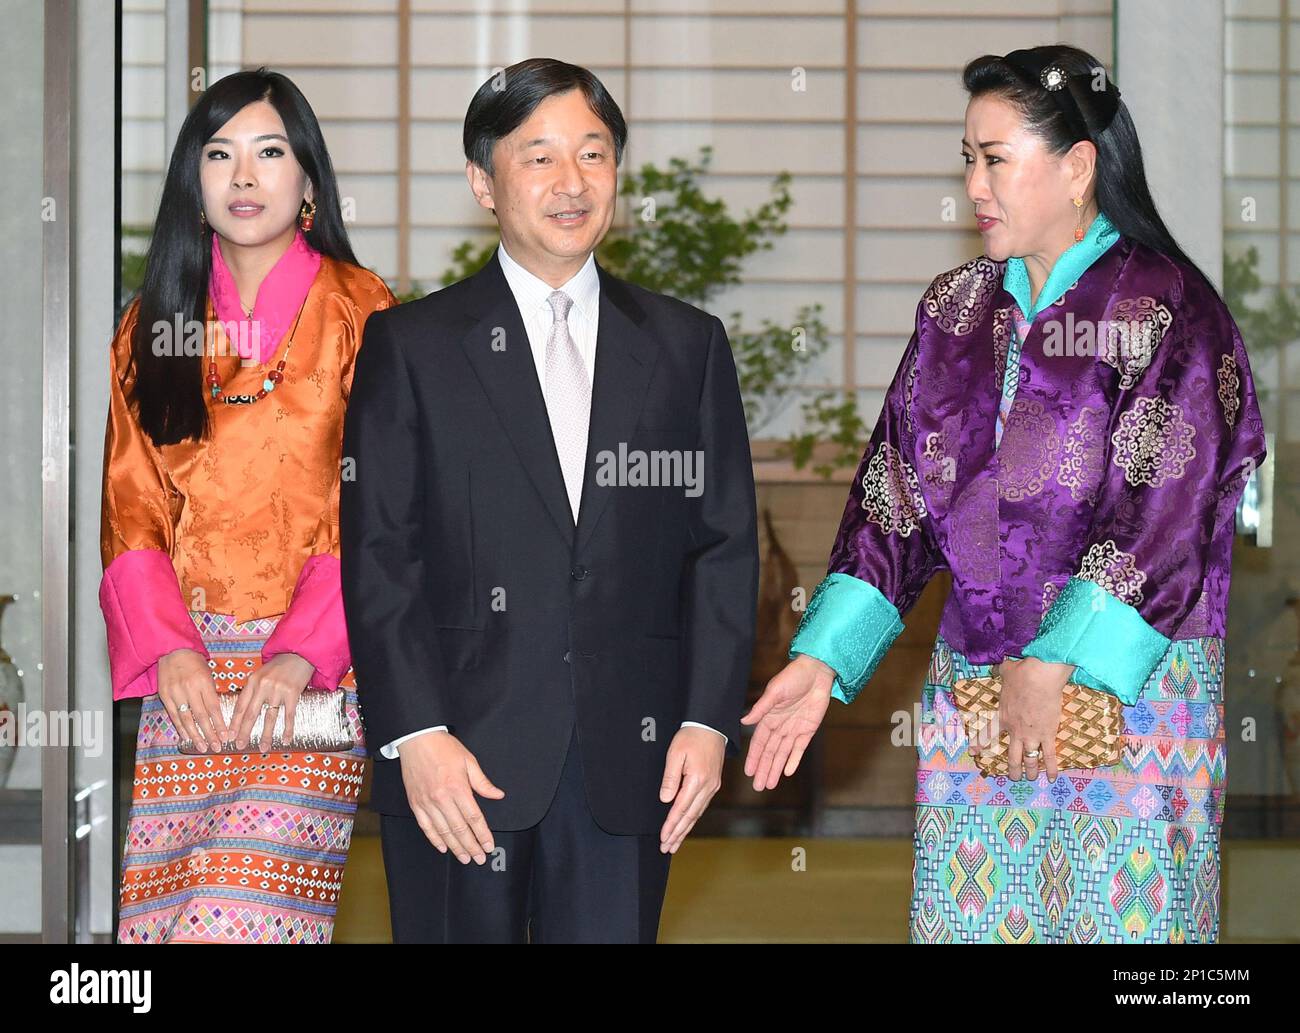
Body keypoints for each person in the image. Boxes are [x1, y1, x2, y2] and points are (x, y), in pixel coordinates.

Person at [743, 44, 1267, 943]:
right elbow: (893, 496)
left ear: (1076, 168)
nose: (974, 186)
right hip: (976, 692)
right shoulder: (954, 309)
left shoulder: (1166, 306)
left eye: (995, 159)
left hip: (1132, 692)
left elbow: (1164, 510)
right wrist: (823, 656)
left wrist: (1056, 661)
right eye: (969, 160)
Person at [340, 57, 758, 943]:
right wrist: (414, 730)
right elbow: (380, 552)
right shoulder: (412, 345)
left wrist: (705, 720)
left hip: (630, 756)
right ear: (483, 183)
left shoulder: (687, 347)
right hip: (458, 757)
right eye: (538, 158)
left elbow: (721, 546)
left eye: (594, 154)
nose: (572, 183)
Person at [102, 68, 396, 943]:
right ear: (192, 181)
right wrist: (172, 654)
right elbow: (131, 504)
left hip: (308, 676)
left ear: (307, 180)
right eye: (219, 153)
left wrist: (303, 652)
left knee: (241, 924)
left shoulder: (363, 312)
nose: (243, 176)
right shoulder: (151, 324)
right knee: (162, 929)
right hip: (186, 679)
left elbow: (381, 505)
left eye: (270, 152)